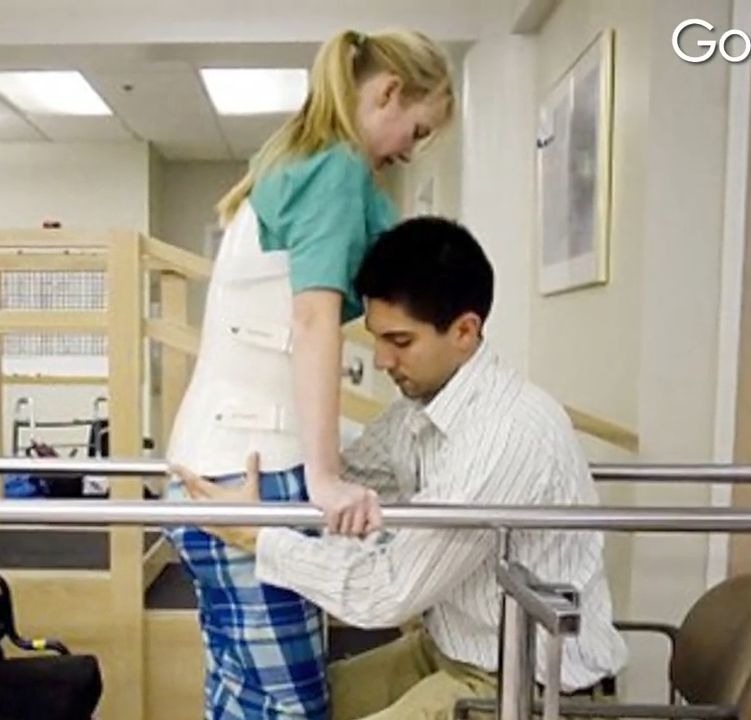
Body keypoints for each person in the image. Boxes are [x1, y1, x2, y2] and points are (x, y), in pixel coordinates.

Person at [174, 217, 630, 719]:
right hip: (449, 650)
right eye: (377, 338)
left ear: (464, 330)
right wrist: (265, 480)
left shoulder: (506, 435)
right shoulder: (417, 411)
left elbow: (386, 593)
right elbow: (349, 480)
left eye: (401, 341)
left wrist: (258, 538)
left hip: (529, 685)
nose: (383, 360)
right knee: (297, 704)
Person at [161, 28, 455, 720]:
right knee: (290, 709)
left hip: (217, 460)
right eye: (417, 129)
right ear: (388, 92)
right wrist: (325, 479)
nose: (411, 150)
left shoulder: (294, 157)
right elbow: (313, 320)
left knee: (243, 699)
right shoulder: (335, 169)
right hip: (252, 470)